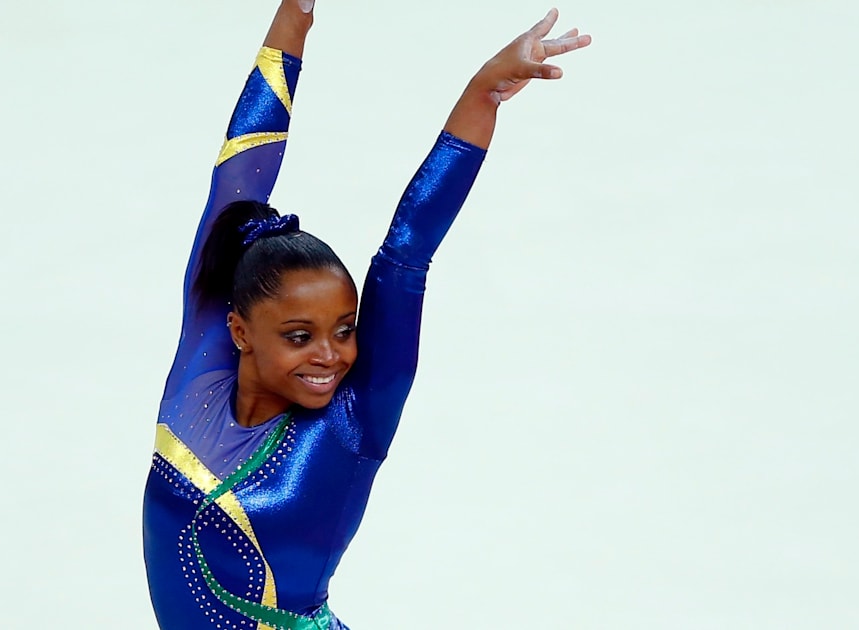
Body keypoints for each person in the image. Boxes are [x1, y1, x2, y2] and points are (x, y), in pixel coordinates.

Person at [141, 2, 591, 628]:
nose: (331, 355)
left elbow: (409, 249)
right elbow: (237, 179)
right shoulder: (202, 372)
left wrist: (483, 94)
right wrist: (295, 18)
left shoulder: (357, 418)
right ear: (237, 330)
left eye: (344, 330)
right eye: (300, 336)